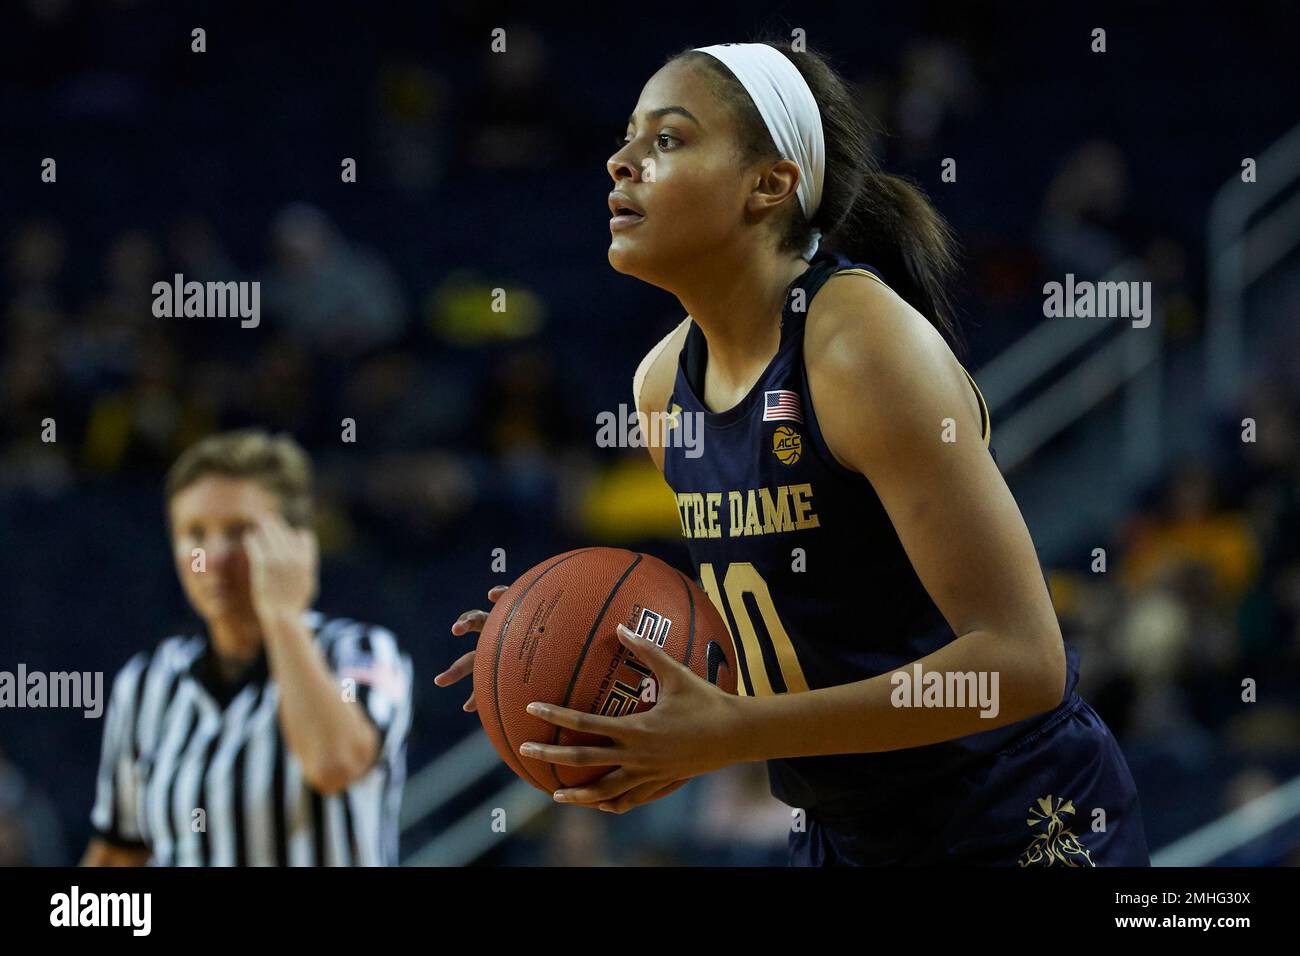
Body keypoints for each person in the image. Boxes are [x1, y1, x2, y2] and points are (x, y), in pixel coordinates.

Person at [441, 40, 1148, 866]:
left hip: (1016, 812)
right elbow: (798, 637)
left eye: (667, 139)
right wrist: (567, 642)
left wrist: (733, 732)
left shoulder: (860, 347)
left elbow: (1021, 664)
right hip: (845, 834)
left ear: (770, 184)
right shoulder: (662, 390)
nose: (621, 161)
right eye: (628, 136)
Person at [83, 429, 412, 866]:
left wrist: (282, 614)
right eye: (194, 533)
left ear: (297, 543)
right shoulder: (146, 683)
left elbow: (333, 763)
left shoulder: (363, 652)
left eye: (241, 531)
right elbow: (118, 853)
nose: (214, 556)